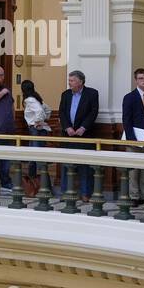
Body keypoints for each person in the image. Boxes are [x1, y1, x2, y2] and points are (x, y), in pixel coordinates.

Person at [57, 70, 99, 200]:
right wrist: (67, 127)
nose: (69, 83)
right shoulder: (66, 94)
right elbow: (61, 112)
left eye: (72, 81)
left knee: (84, 166)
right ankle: (65, 192)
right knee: (66, 165)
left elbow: (93, 112)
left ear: (81, 81)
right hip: (68, 135)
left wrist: (83, 128)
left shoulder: (92, 93)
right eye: (69, 81)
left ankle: (85, 193)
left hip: (84, 136)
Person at [120, 67, 144, 202]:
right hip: (135, 137)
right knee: (134, 169)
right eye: (141, 78)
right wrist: (132, 139)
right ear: (136, 80)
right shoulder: (129, 97)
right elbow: (126, 119)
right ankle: (134, 196)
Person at [21, 79, 53, 194]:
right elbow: (48, 110)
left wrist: (38, 122)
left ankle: (41, 187)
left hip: (35, 130)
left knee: (37, 158)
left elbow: (40, 111)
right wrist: (44, 120)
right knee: (35, 158)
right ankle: (40, 186)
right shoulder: (37, 98)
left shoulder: (29, 100)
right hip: (40, 130)